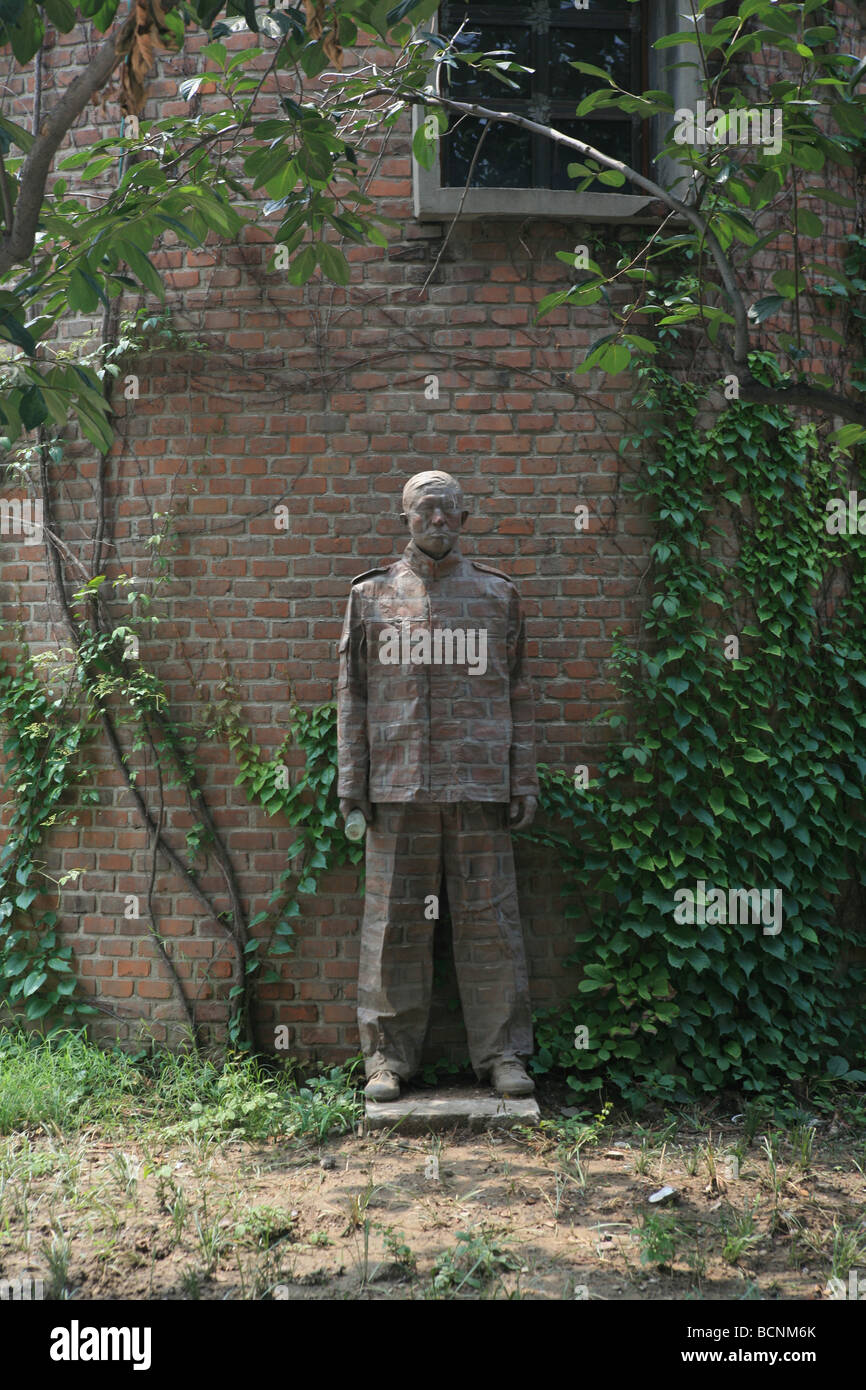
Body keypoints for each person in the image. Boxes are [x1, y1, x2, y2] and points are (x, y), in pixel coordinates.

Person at [337, 470, 538, 1101]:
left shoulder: (496, 597)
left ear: (466, 516)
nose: (438, 520)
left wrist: (521, 777)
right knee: (392, 923)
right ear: (405, 516)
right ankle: (387, 1060)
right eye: (426, 510)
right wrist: (352, 783)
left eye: (449, 510)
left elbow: (520, 693)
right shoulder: (370, 598)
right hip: (397, 788)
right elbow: (352, 694)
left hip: (478, 787)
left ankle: (504, 1053)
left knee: (492, 923)